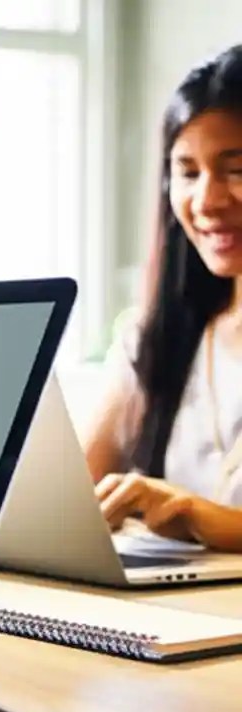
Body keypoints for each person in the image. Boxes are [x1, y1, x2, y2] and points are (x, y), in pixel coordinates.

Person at [84, 44, 242, 552]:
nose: (207, 201)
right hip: (177, 622)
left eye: (236, 169)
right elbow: (76, 502)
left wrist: (197, 514)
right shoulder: (153, 339)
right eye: (188, 173)